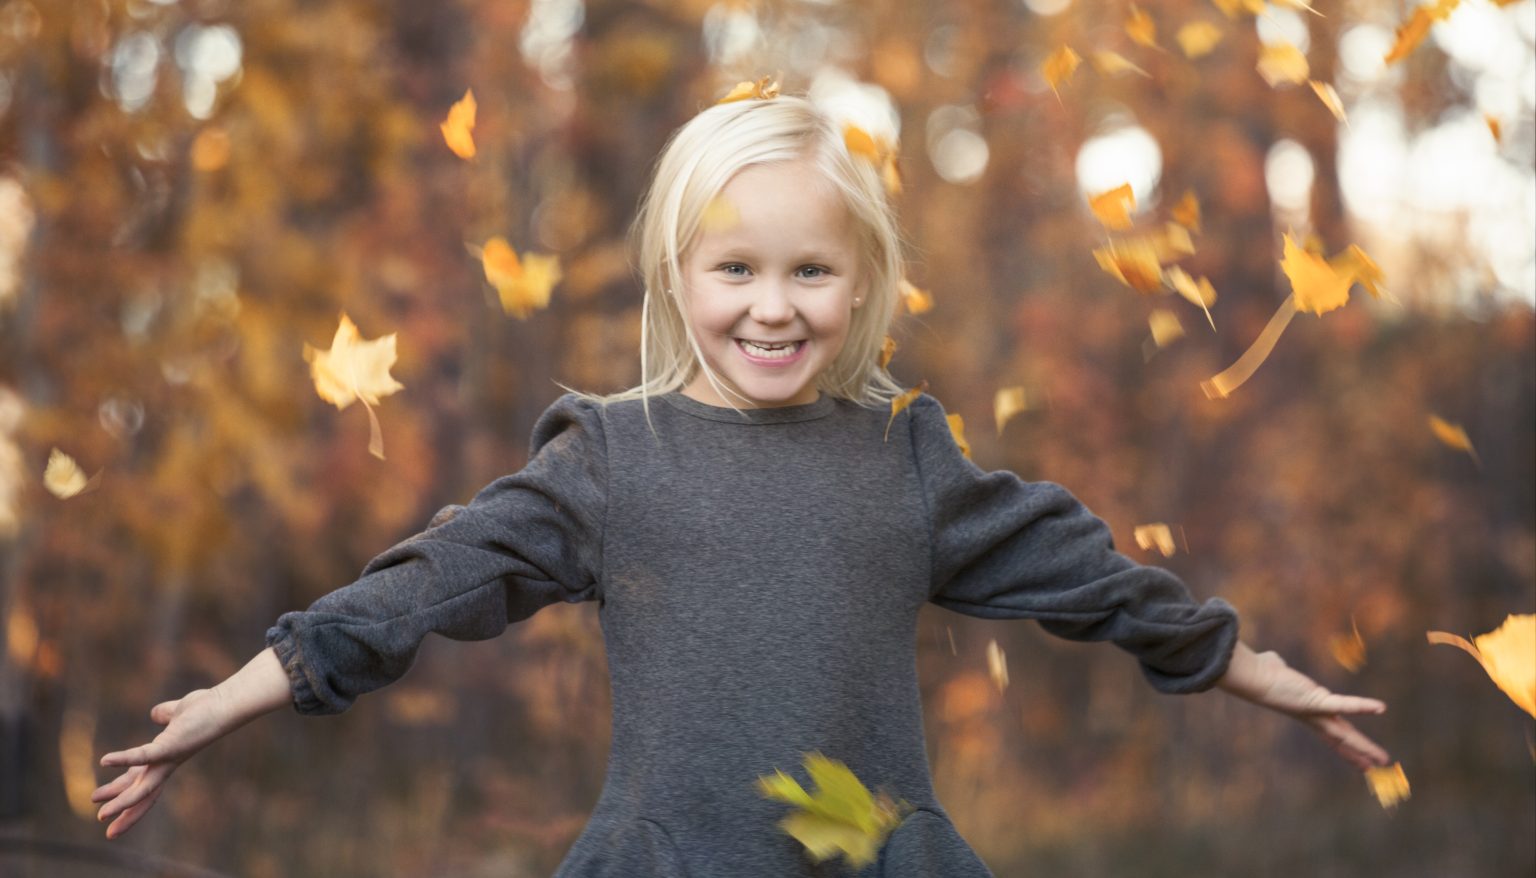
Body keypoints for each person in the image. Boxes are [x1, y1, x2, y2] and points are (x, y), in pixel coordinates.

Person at [94, 91, 1391, 876]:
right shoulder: (612, 458)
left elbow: (1095, 579)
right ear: (677, 278)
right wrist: (232, 695)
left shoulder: (907, 460)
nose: (773, 308)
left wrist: (1247, 666)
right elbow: (421, 585)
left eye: (810, 273)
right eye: (738, 271)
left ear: (863, 282)